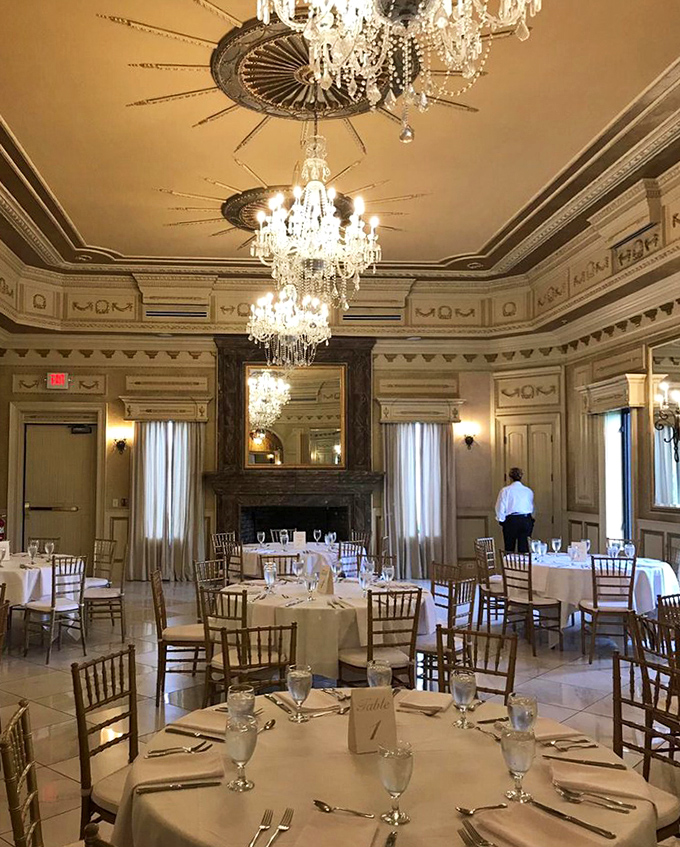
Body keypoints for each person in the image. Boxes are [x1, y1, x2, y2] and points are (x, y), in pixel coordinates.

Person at [495, 467, 535, 553]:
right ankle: (524, 566)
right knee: (524, 549)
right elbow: (531, 507)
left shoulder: (505, 490)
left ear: (510, 477)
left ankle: (509, 566)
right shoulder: (528, 491)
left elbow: (500, 507)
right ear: (521, 477)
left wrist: (501, 520)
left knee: (509, 548)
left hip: (511, 520)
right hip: (526, 520)